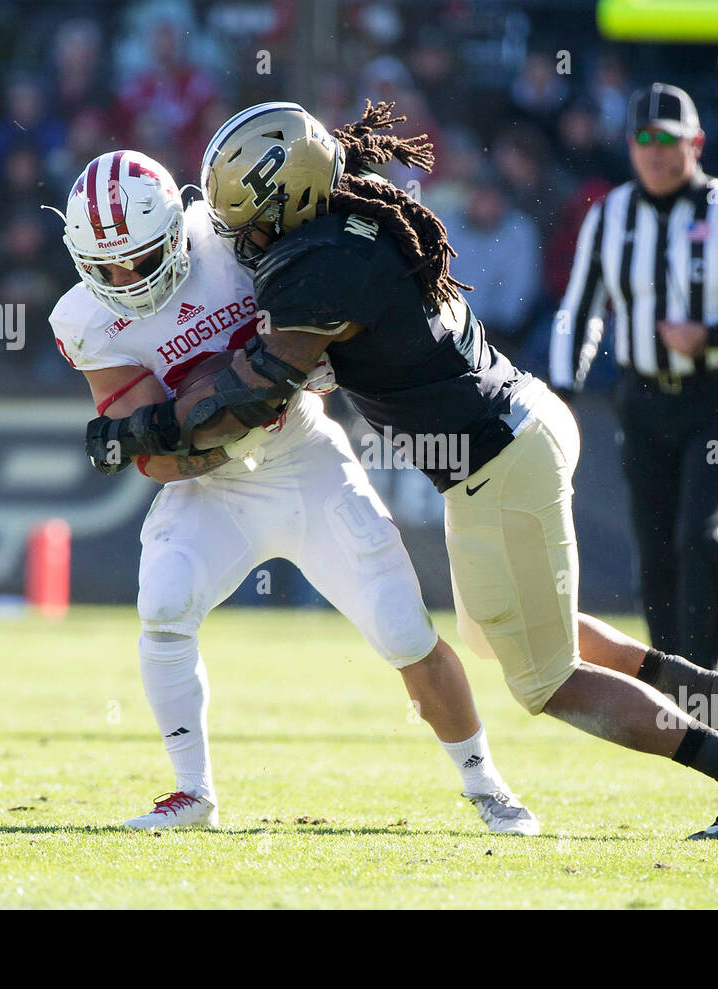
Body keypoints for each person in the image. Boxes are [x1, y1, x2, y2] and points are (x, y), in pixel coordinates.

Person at [89, 102, 718, 841]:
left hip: (498, 459)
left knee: (546, 683)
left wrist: (142, 429)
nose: (240, 237)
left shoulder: (319, 265)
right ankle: (713, 695)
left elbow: (254, 388)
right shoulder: (351, 213)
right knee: (495, 635)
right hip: (512, 426)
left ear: (291, 199)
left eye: (251, 219)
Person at [49, 150, 538, 835]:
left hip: (305, 453)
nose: (125, 280)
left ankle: (488, 786)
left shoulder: (229, 240)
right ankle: (192, 793)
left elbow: (324, 317)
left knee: (403, 630)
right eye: (106, 268)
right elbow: (155, 462)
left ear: (176, 231)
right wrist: (225, 425)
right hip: (214, 486)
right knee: (162, 602)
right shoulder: (87, 319)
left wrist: (240, 400)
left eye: (140, 257)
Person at [550, 83, 718, 672]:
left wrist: (712, 334)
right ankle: (672, 681)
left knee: (702, 533)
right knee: (656, 548)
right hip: (641, 398)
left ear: (696, 143)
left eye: (667, 139)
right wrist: (563, 392)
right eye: (643, 139)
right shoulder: (610, 215)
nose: (655, 151)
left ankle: (706, 680)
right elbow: (579, 309)